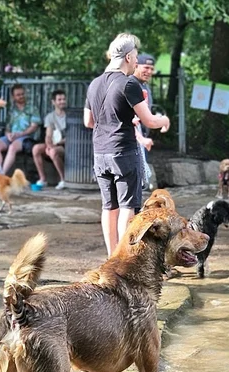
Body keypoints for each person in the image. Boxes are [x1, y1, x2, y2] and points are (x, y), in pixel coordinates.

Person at [84, 33, 170, 256]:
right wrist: (164, 120)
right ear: (129, 57)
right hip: (123, 152)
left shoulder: (94, 84)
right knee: (127, 206)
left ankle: (111, 257)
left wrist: (118, 120)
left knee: (108, 206)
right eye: (136, 57)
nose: (136, 61)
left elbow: (88, 121)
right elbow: (149, 120)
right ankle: (124, 258)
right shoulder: (129, 83)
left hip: (100, 153)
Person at [0, 84, 40, 175]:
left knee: (12, 147)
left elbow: (34, 127)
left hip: (26, 138)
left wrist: (20, 134)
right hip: (12, 136)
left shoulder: (32, 108)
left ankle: (2, 174)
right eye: (18, 95)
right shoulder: (11, 110)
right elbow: (7, 128)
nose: (21, 96)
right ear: (13, 97)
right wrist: (8, 135)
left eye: (22, 94)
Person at [131, 53, 158, 191]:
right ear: (136, 65)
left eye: (151, 69)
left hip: (143, 137)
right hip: (132, 138)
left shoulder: (145, 86)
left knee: (140, 181)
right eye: (146, 67)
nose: (149, 71)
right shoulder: (130, 84)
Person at [31, 89, 67, 190]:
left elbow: (71, 137)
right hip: (54, 144)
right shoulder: (50, 117)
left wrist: (56, 145)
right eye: (59, 99)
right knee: (36, 149)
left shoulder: (69, 115)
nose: (62, 101)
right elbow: (48, 135)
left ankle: (63, 179)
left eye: (64, 99)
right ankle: (42, 179)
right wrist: (49, 145)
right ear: (53, 102)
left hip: (66, 145)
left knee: (53, 152)